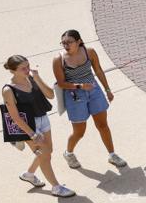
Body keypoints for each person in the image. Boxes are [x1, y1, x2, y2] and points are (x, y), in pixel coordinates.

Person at [3, 54, 73, 197]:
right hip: (28, 126)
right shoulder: (8, 90)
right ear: (13, 71)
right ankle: (56, 187)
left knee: (48, 151)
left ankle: (29, 174)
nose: (27, 70)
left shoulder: (32, 79)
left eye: (28, 66)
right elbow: (15, 116)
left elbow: (50, 95)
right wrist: (32, 134)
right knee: (45, 155)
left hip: (43, 119)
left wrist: (37, 78)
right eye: (23, 68)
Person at [53, 29, 124, 170]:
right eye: (64, 43)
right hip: (75, 96)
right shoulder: (58, 59)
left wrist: (107, 89)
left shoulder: (89, 51)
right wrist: (79, 86)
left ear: (79, 41)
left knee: (103, 125)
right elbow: (61, 83)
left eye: (69, 42)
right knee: (79, 132)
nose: (66, 45)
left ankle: (112, 154)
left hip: (94, 91)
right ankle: (68, 153)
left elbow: (98, 70)